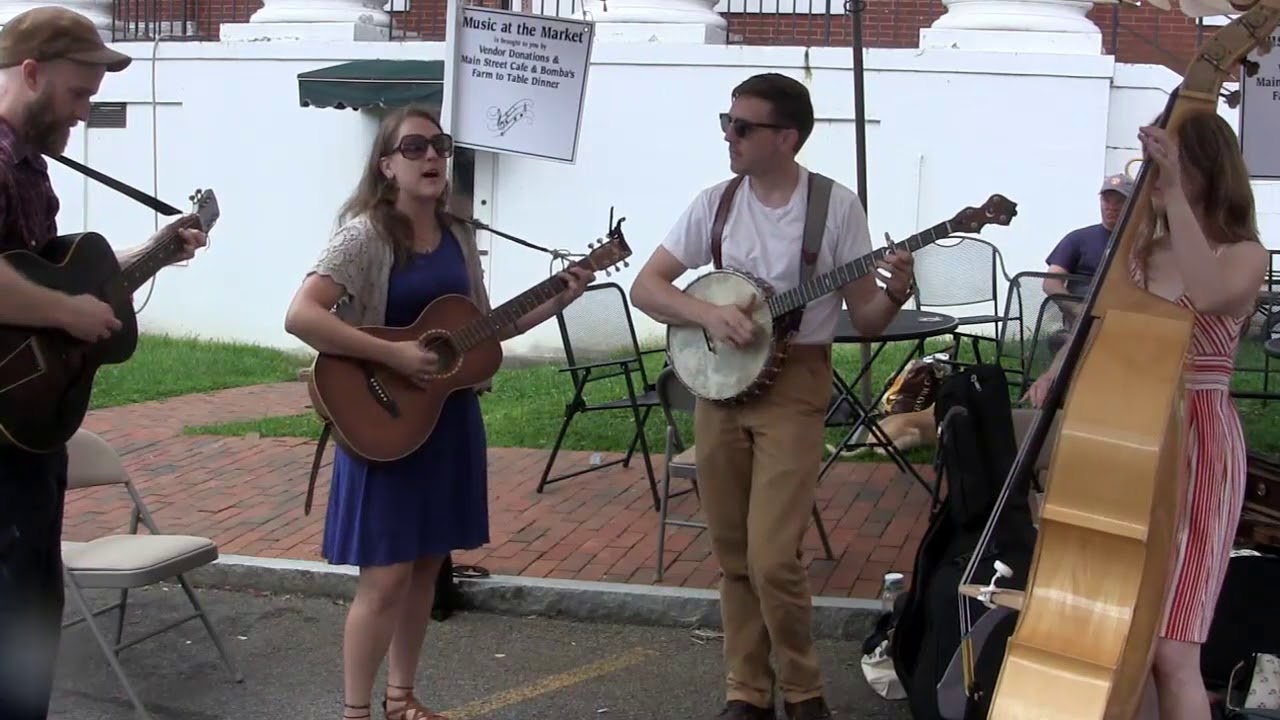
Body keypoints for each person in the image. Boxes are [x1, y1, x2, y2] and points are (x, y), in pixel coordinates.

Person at [283, 105, 594, 720]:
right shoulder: (365, 235)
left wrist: (560, 296)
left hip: (444, 421)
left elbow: (479, 330)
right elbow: (302, 315)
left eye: (440, 147)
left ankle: (402, 700)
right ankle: (356, 712)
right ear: (387, 166)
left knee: (426, 566)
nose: (431, 157)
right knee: (386, 579)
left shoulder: (457, 236)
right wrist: (391, 354)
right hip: (384, 421)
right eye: (416, 147)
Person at [629, 73, 915, 720]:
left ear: (786, 138)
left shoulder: (835, 208)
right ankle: (746, 692)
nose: (729, 135)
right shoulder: (717, 204)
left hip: (797, 383)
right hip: (718, 387)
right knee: (732, 553)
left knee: (772, 557)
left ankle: (805, 691)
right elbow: (647, 287)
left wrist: (895, 289)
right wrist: (704, 316)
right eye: (726, 122)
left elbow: (866, 320)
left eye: (743, 126)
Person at [1024, 109, 1268, 720]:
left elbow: (1211, 296)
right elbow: (1102, 322)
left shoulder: (1243, 253)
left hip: (1201, 438)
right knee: (1122, 635)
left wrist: (1176, 197)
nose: (1153, 173)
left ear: (1207, 168)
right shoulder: (1138, 251)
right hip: (1125, 436)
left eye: (1171, 158)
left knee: (1172, 648)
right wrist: (1060, 368)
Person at [0, 7, 206, 718]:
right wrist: (66, 313)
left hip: (28, 429)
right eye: (77, 94)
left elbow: (51, 284)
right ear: (30, 73)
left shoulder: (30, 170)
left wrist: (152, 253)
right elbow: (58, 307)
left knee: (28, 609)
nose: (85, 112)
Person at [1043, 172, 1133, 298]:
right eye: (1106, 200)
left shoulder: (1143, 243)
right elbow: (1051, 282)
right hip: (1083, 313)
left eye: (1119, 201)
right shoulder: (1077, 239)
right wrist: (1075, 309)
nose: (1111, 207)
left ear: (1133, 203)